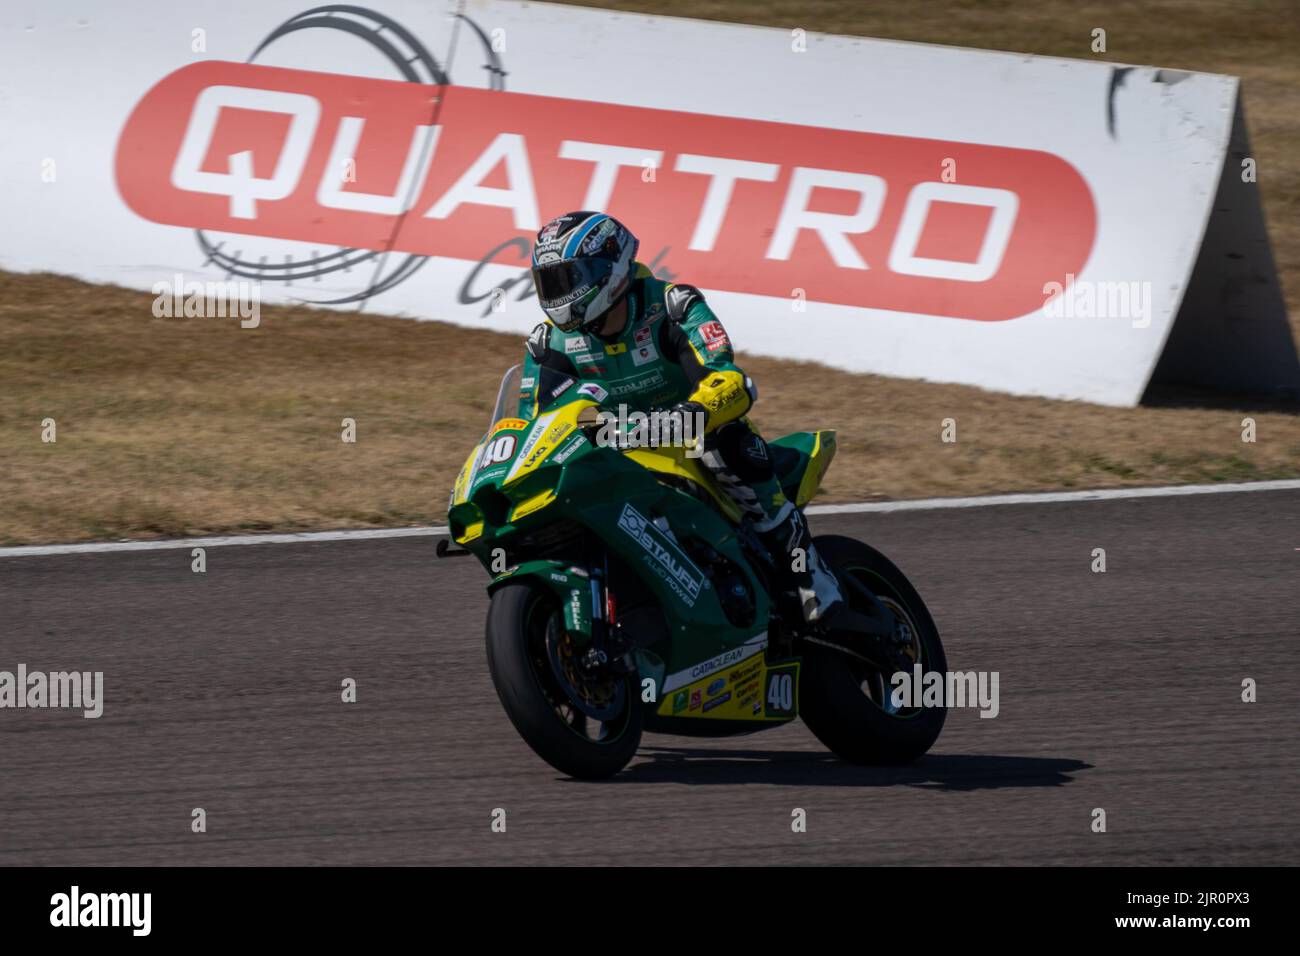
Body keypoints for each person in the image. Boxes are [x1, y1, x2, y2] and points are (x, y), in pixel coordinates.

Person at [519, 210, 845, 625]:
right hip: (616, 448)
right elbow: (537, 423)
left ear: (609, 268)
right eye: (549, 282)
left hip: (689, 436)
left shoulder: (672, 305)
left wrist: (690, 415)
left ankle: (809, 573)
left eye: (568, 279)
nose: (558, 293)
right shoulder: (549, 343)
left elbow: (727, 377)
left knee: (724, 446)